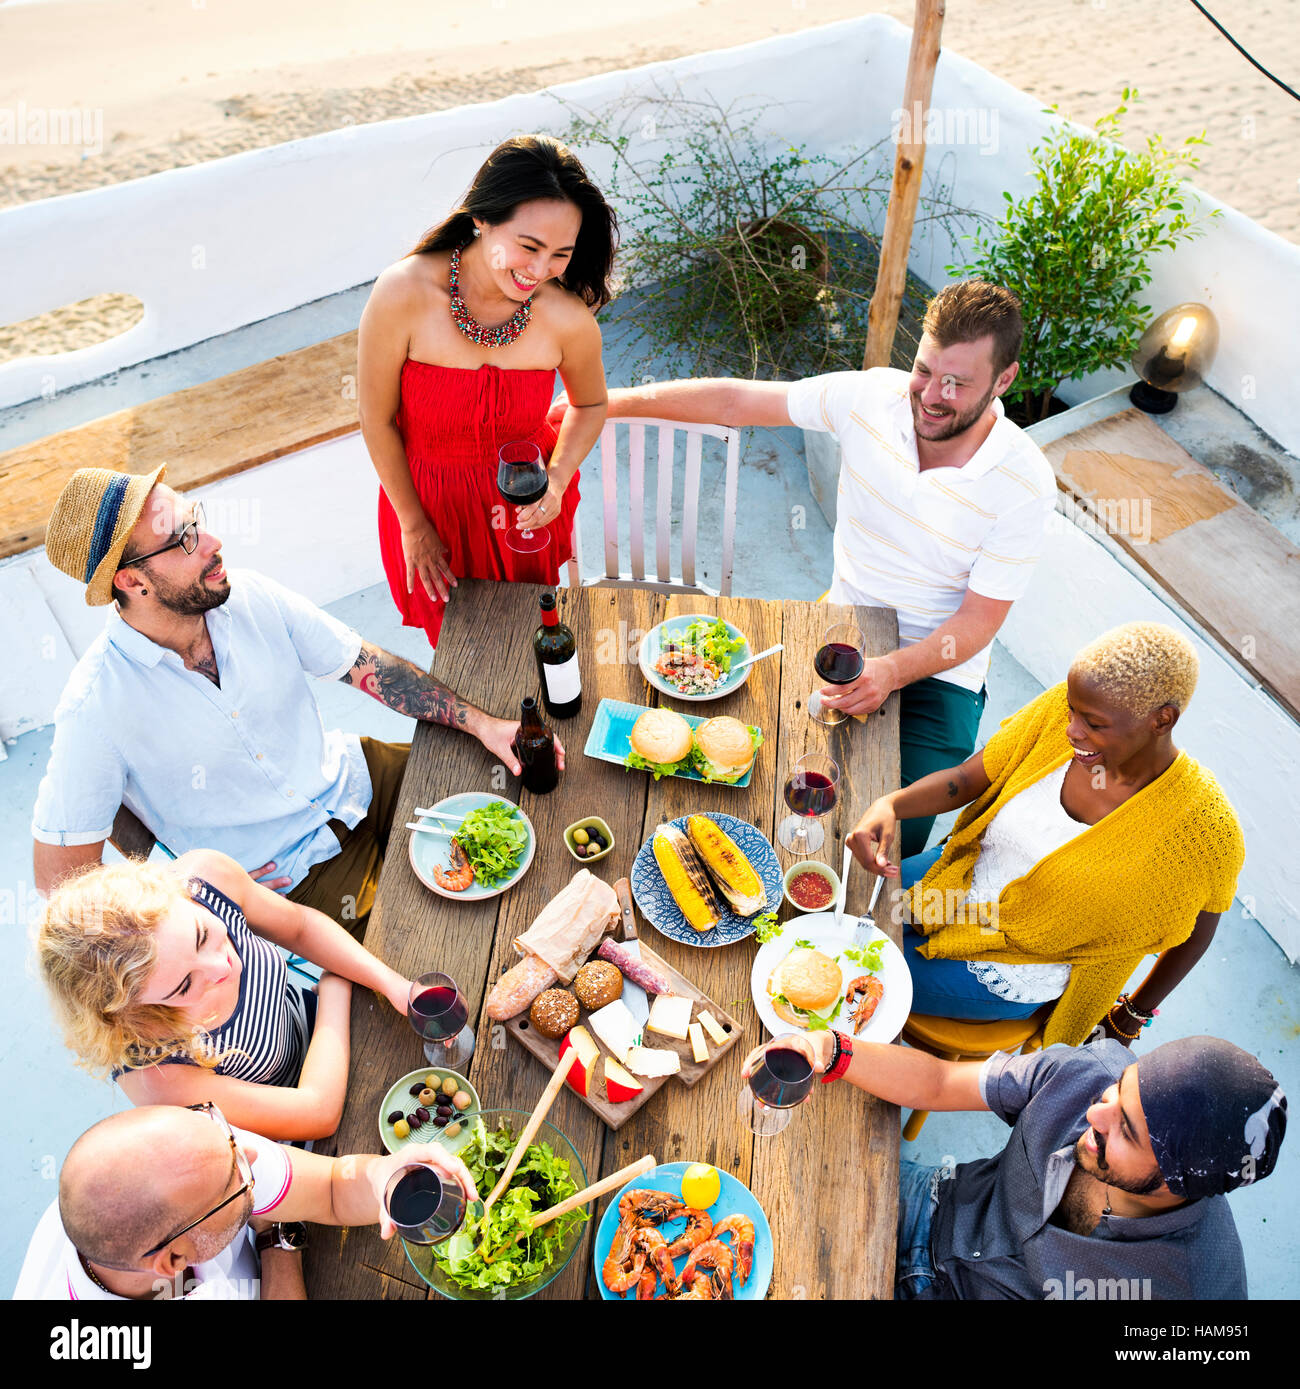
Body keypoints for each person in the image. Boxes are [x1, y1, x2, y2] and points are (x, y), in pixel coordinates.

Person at [551, 278, 1056, 856]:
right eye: (924, 370)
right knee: (767, 774)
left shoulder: (1025, 484)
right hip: (843, 622)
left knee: (890, 833)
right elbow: (735, 401)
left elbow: (978, 622)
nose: (932, 395)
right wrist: (601, 404)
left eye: (958, 384)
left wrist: (891, 671)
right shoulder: (871, 397)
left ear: (1003, 380)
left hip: (940, 670)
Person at [31, 469, 559, 932]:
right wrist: (179, 889)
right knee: (447, 938)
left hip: (353, 778)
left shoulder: (249, 594)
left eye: (197, 518)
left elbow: (365, 667)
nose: (212, 541)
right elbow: (62, 885)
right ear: (131, 580)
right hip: (291, 878)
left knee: (523, 805)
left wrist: (484, 725)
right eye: (185, 538)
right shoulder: (94, 707)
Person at [847, 622, 1244, 1046]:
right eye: (1073, 710)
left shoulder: (1202, 828)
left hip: (1018, 960)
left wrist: (1132, 1014)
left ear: (1161, 720)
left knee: (853, 977)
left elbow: (1198, 930)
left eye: (1093, 723)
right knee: (834, 924)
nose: (1072, 729)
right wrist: (891, 804)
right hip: (958, 876)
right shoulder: (1064, 710)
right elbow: (967, 779)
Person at [740, 1030, 1285, 1300]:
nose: (1096, 1110)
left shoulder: (1195, 1289)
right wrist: (831, 1049)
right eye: (1120, 1092)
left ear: (1179, 1181)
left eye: (1127, 1130)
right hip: (931, 1203)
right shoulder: (1089, 1070)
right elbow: (937, 1081)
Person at [360, 133, 615, 647]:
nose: (539, 271)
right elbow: (376, 419)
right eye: (529, 247)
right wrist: (413, 524)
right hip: (430, 509)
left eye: (560, 255)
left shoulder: (566, 319)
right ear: (482, 218)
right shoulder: (403, 293)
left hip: (524, 507)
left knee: (530, 642)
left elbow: (591, 404)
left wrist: (560, 480)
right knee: (460, 652)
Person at [37, 850, 417, 1141]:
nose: (222, 967)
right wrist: (334, 990)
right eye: (184, 985)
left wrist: (391, 984)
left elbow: (300, 928)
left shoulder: (205, 880)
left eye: (202, 935)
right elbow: (317, 1113)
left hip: (330, 1024)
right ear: (135, 1013)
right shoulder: (154, 1074)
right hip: (302, 1129)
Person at [13, 1101, 477, 1300]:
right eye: (236, 1183)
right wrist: (278, 1239)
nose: (254, 1152)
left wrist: (387, 1174)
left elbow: (335, 1187)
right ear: (175, 1258)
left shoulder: (203, 1156)